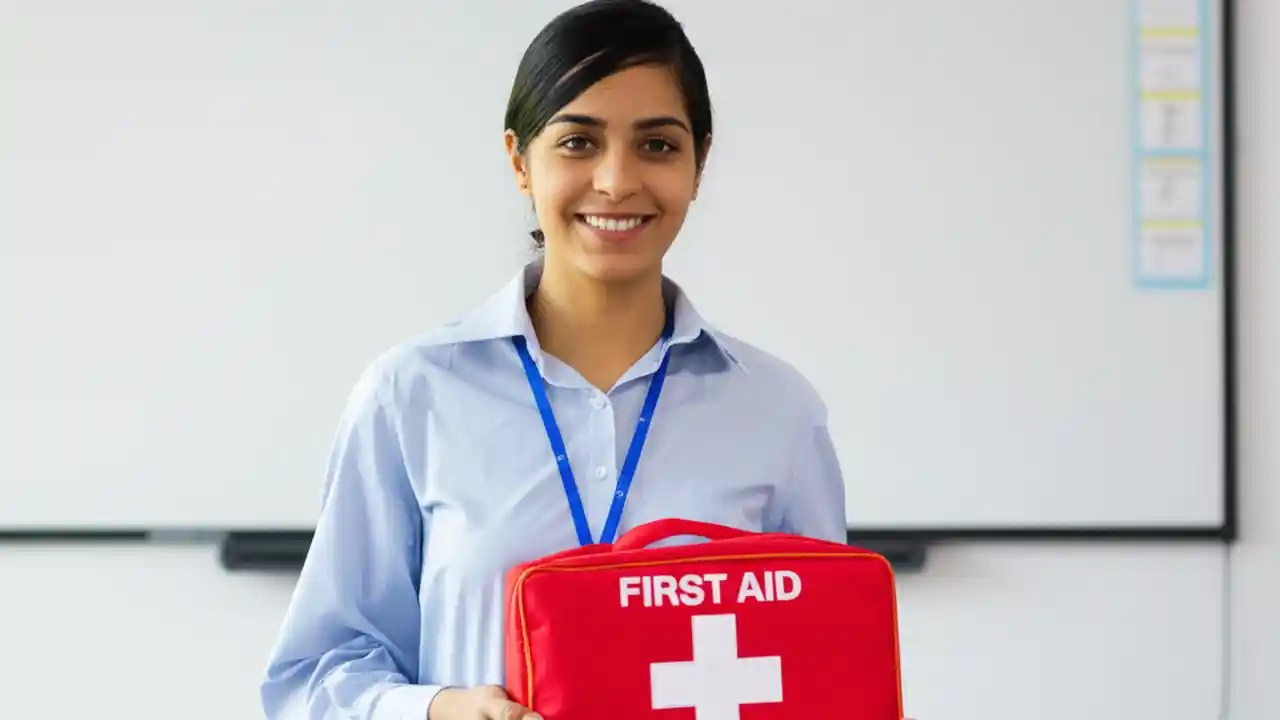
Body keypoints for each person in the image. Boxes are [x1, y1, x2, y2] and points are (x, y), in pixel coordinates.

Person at [260, 1, 846, 718]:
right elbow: (313, 677)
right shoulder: (410, 395)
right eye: (578, 143)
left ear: (699, 165)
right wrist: (439, 710)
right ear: (520, 162)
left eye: (658, 145)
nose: (616, 181)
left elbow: (828, 673)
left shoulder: (776, 411)